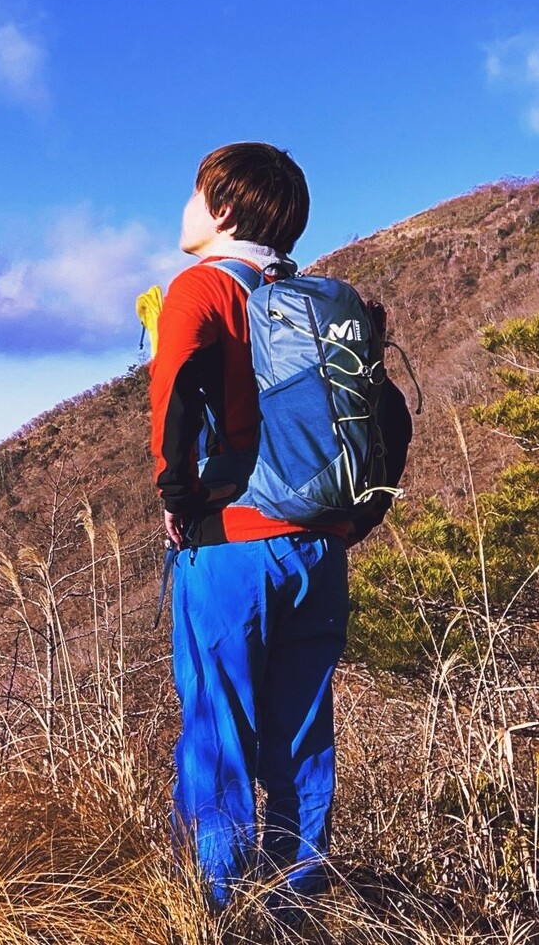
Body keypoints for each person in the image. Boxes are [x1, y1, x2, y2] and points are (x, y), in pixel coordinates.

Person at [147, 142, 398, 913]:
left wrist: (179, 497)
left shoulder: (202, 289)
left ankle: (217, 913)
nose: (186, 206)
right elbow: (388, 417)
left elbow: (176, 399)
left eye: (195, 193)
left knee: (220, 741)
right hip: (319, 553)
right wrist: (352, 522)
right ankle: (296, 911)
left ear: (223, 207)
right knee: (302, 745)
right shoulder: (325, 304)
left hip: (229, 552)